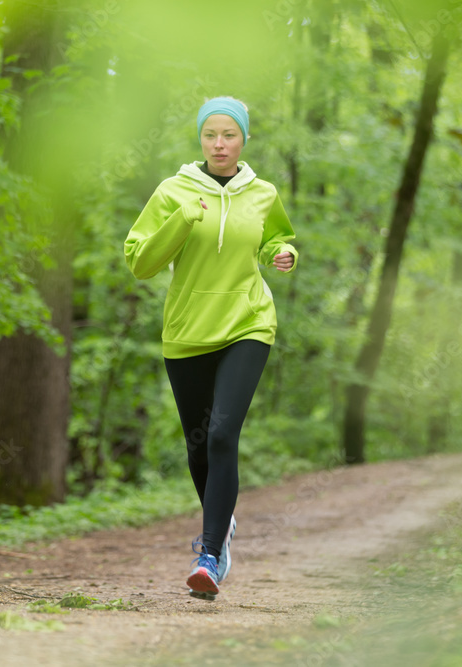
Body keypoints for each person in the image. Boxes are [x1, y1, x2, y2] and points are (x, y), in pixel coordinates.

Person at [124, 96, 298, 600]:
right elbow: (140, 262)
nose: (219, 144)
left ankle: (210, 554)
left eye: (229, 135)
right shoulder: (172, 191)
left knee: (222, 434)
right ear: (200, 138)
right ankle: (223, 521)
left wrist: (283, 252)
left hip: (248, 323)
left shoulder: (262, 193)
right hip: (188, 331)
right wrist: (181, 220)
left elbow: (275, 238)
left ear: (244, 139)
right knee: (198, 446)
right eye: (210, 135)